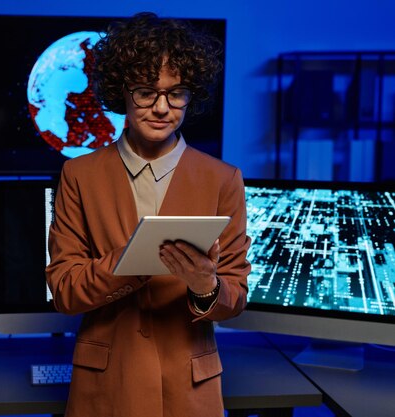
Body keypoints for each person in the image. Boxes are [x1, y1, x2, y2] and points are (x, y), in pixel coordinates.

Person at [45, 12, 251, 417]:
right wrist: (134, 260)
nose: (162, 108)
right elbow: (64, 291)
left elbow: (236, 296)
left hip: (189, 387)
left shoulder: (223, 179)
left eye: (177, 93)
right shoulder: (79, 175)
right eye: (146, 92)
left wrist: (206, 286)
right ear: (122, 92)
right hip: (106, 384)